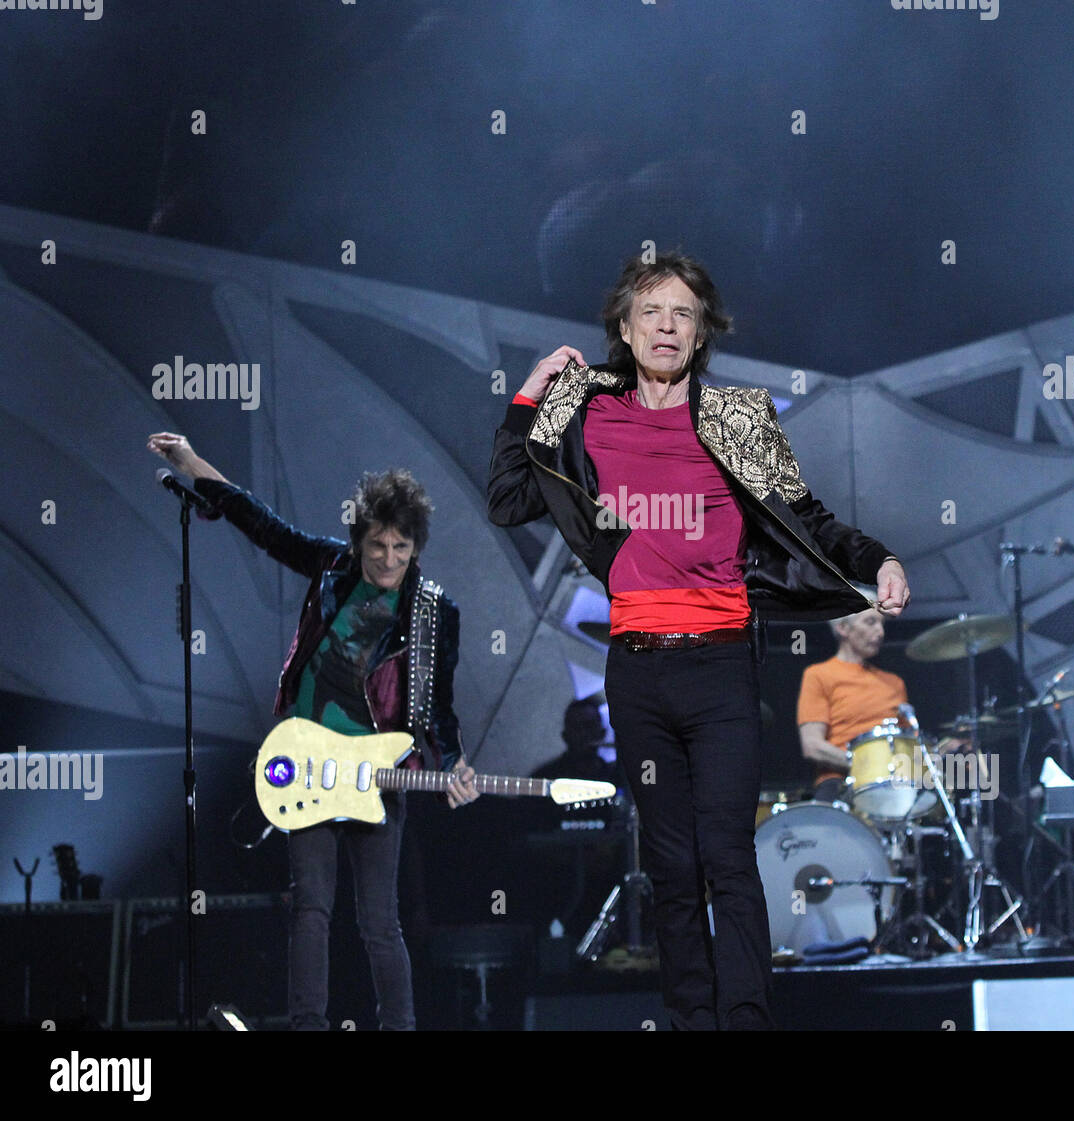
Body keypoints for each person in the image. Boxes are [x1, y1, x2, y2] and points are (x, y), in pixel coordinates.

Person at [486, 252, 909, 1030]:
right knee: (672, 867)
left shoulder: (736, 417)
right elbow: (508, 499)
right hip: (638, 673)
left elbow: (807, 518)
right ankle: (691, 1022)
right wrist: (532, 392)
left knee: (726, 856)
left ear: (704, 330)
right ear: (623, 326)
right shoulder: (586, 409)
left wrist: (874, 557)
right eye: (652, 311)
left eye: (684, 313)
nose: (667, 326)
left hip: (719, 668)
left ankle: (746, 1019)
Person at [147, 432, 479, 1030]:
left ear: (415, 548)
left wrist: (453, 762)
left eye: (400, 548)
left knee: (380, 920)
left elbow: (439, 704)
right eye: (377, 546)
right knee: (311, 910)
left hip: (378, 775)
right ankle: (308, 1027)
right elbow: (263, 526)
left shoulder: (434, 611)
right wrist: (193, 462)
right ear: (359, 541)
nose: (387, 560)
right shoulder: (331, 565)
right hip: (306, 763)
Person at [796, 604, 907, 802]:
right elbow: (812, 745)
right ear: (843, 628)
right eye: (870, 622)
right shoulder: (818, 675)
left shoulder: (895, 683)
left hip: (893, 784)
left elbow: (907, 744)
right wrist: (865, 764)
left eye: (881, 624)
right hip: (840, 781)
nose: (880, 632)